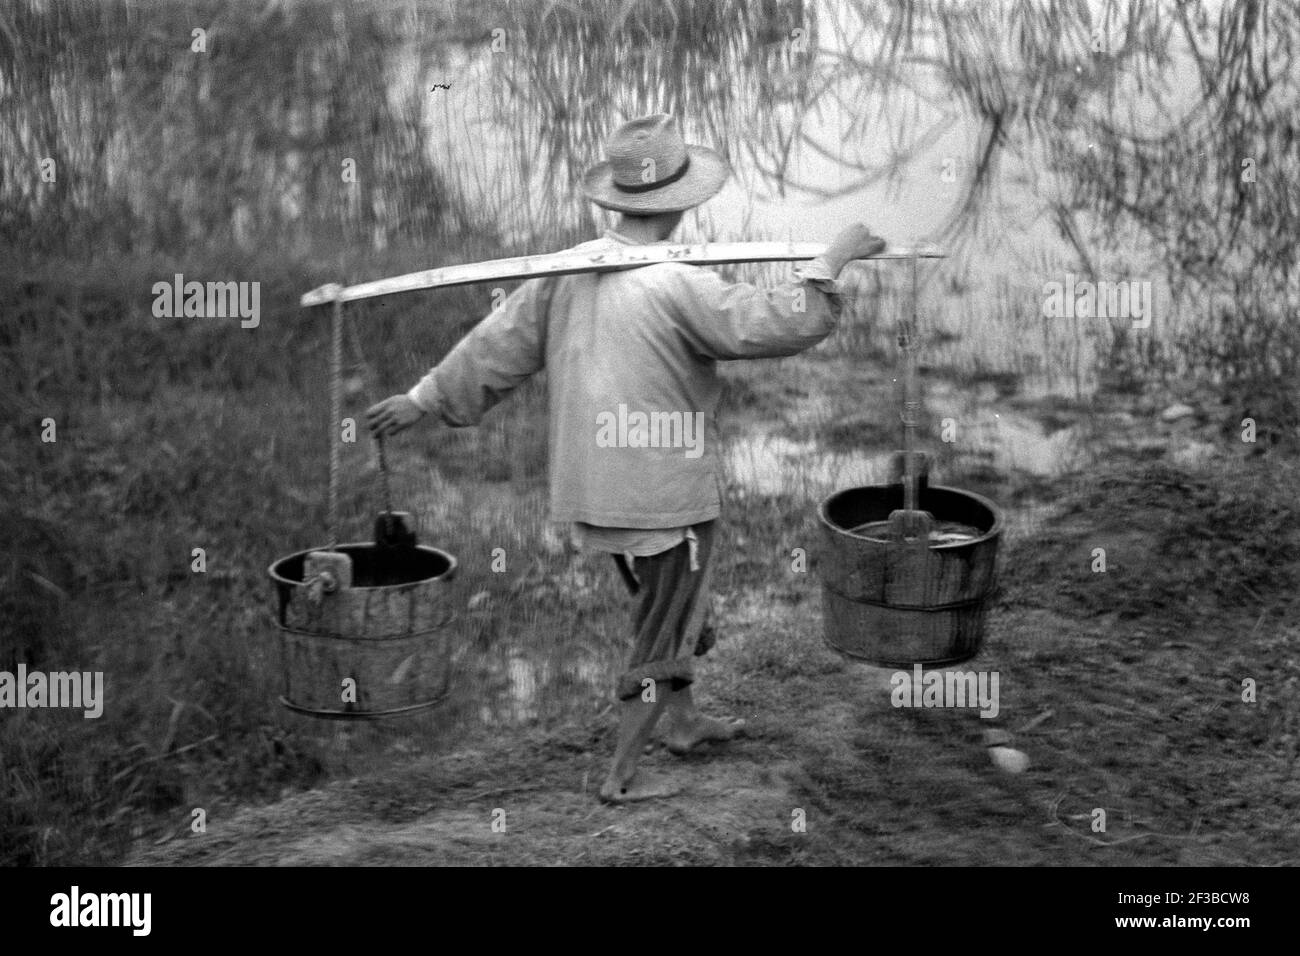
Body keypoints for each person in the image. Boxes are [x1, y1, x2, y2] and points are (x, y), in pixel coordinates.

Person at [368, 113, 885, 803]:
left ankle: (683, 724)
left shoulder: (567, 269)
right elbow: (773, 322)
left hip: (593, 489)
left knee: (664, 605)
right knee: (663, 626)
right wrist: (833, 259)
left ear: (617, 200)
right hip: (659, 497)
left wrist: (424, 397)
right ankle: (620, 776)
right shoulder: (675, 283)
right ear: (680, 203)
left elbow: (496, 346)